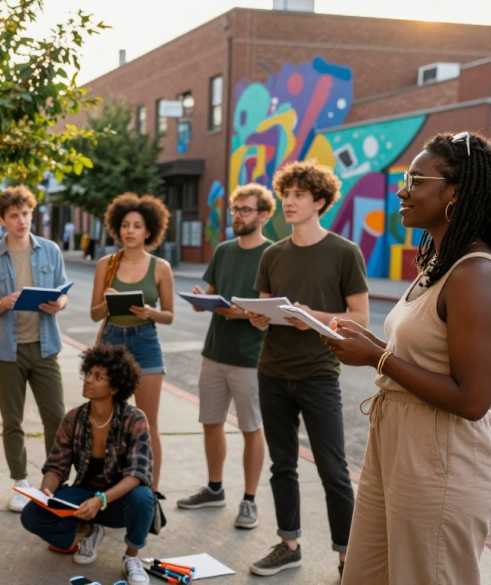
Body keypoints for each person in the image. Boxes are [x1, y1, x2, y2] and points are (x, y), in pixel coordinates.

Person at [326, 132, 491, 584]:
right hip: (398, 447)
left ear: (454, 191)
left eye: (415, 179)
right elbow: (421, 356)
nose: (401, 190)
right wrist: (375, 347)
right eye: (404, 178)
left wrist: (378, 361)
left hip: (442, 460)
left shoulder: (475, 273)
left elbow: (473, 399)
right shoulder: (440, 264)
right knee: (364, 575)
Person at [246, 160, 369, 577]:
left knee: (333, 469)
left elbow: (361, 317)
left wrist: (311, 314)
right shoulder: (272, 254)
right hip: (272, 371)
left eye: (299, 194)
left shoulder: (344, 252)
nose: (289, 201)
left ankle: (346, 557)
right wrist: (259, 317)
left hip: (318, 374)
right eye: (287, 194)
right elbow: (264, 306)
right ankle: (288, 543)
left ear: (320, 200)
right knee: (282, 464)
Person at [177, 183, 274, 531]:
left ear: (264, 215)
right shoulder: (223, 251)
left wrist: (242, 312)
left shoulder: (274, 254)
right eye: (235, 209)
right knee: (211, 422)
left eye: (245, 210)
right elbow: (214, 296)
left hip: (252, 357)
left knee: (251, 428)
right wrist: (203, 299)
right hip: (214, 352)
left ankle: (249, 500)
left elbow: (272, 310)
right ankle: (214, 488)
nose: (237, 216)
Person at [21, 345, 155, 585]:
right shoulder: (74, 418)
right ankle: (87, 531)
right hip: (84, 497)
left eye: (98, 377)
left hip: (118, 502)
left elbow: (138, 474)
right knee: (31, 515)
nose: (88, 380)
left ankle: (131, 556)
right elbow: (56, 466)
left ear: (114, 387)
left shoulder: (134, 419)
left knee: (143, 496)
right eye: (88, 374)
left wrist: (101, 500)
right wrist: (45, 492)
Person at [0, 186, 68, 513]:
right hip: (7, 352)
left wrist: (60, 302)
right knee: (12, 420)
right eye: (13, 215)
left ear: (32, 213)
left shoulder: (51, 250)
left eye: (25, 213)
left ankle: (54, 482)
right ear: (2, 220)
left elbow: (62, 291)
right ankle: (20, 483)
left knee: (56, 418)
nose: (21, 220)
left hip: (45, 348)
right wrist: (2, 303)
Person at [90, 193, 174, 493]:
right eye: (125, 225)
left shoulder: (161, 267)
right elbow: (94, 313)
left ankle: (150, 493)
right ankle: (110, 487)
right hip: (112, 342)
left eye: (137, 226)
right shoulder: (106, 264)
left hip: (146, 340)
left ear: (149, 230)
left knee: (148, 424)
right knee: (108, 421)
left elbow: (169, 316)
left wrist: (150, 312)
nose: (130, 231)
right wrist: (109, 304)